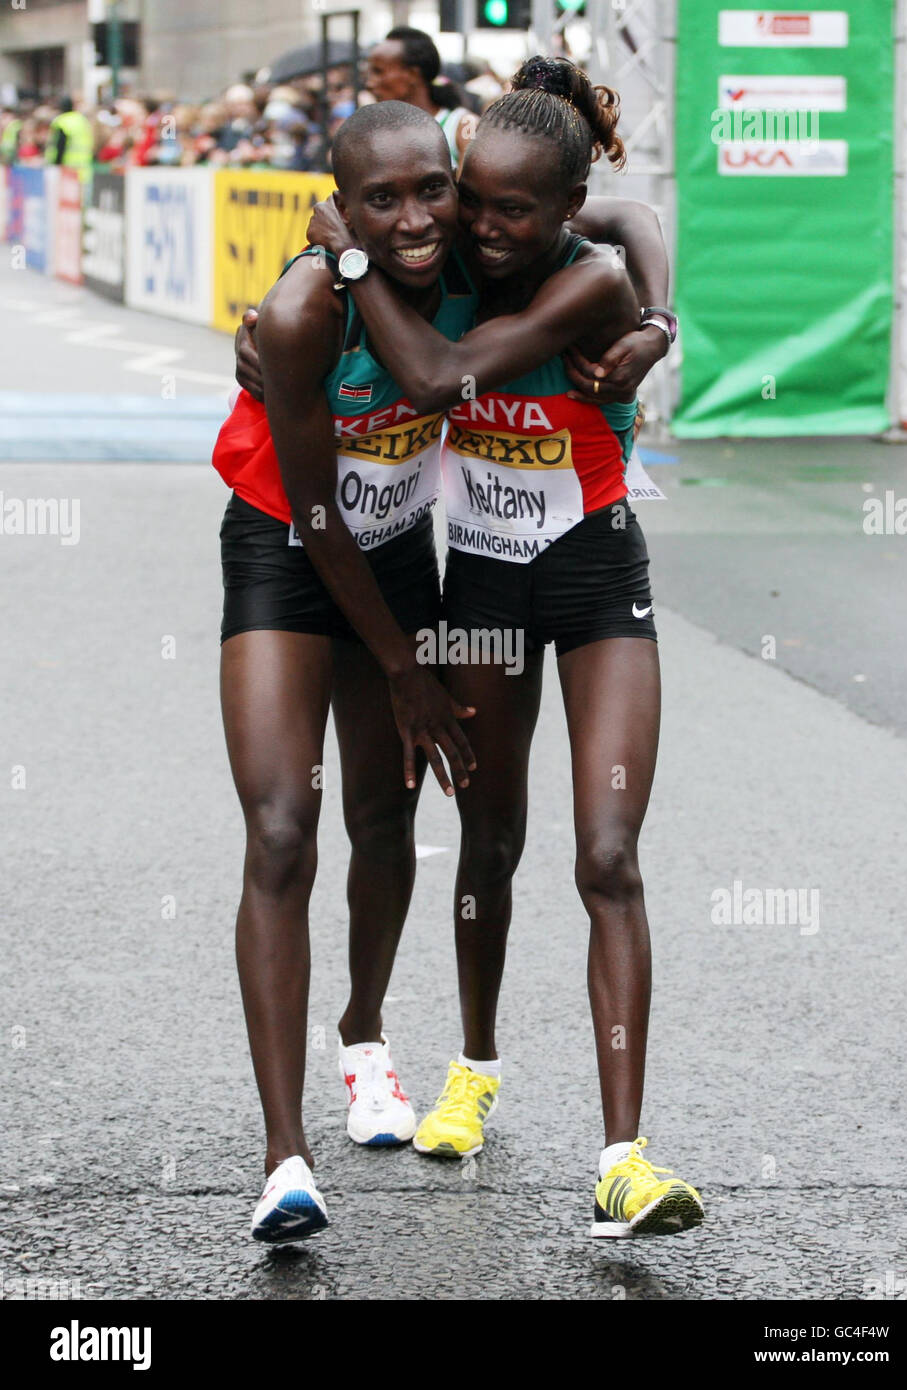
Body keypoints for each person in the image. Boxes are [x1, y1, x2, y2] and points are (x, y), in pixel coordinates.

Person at [305, 56, 701, 1238]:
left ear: (561, 214)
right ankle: (473, 1064)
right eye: (468, 198)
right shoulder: (447, 261)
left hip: (594, 582)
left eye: (505, 209)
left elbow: (442, 372)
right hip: (477, 589)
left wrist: (657, 321)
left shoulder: (589, 285)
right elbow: (358, 276)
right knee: (488, 839)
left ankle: (623, 1156)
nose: (473, 224)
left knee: (607, 854)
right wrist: (312, 273)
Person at [212, 100, 481, 1244]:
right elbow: (319, 512)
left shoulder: (477, 256)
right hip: (286, 541)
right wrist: (404, 667)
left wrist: (653, 320)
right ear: (340, 206)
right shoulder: (298, 308)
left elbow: (614, 211)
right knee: (282, 828)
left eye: (434, 189)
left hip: (398, 553)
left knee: (383, 814)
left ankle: (363, 1039)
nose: (417, 218)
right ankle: (285, 1158)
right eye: (384, 200)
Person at [366, 27, 477, 171]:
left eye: (379, 72)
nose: (370, 83)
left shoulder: (464, 125)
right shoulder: (374, 131)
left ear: (412, 74)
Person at [44, 94, 93, 184]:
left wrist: (56, 165)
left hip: (66, 169)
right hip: (83, 168)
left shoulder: (61, 121)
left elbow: (60, 144)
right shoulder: (82, 119)